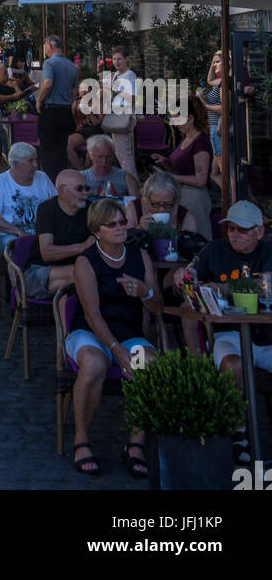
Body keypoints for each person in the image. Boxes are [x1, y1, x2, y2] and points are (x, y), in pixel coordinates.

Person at [67, 197, 161, 478]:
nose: (120, 228)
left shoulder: (139, 256)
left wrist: (146, 292)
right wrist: (116, 350)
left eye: (122, 222)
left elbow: (158, 309)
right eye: (112, 225)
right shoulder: (87, 261)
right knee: (94, 364)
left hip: (130, 332)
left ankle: (136, 443)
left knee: (152, 365)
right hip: (90, 331)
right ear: (97, 231)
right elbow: (93, 314)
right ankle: (81, 439)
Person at [174, 200, 272, 463]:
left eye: (242, 229)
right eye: (230, 229)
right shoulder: (214, 249)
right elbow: (190, 278)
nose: (235, 235)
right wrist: (185, 278)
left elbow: (264, 284)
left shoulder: (269, 250)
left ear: (259, 231)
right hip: (228, 332)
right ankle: (239, 432)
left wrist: (220, 288)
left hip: (268, 337)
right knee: (231, 364)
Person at [150, 93, 213, 239]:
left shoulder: (200, 142)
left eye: (177, 118)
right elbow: (183, 167)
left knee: (198, 237)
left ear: (190, 119)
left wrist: (169, 176)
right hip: (182, 194)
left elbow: (201, 180)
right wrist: (165, 162)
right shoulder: (186, 137)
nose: (175, 124)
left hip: (195, 197)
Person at [24, 169, 93, 298]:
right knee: (84, 275)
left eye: (86, 188)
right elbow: (47, 253)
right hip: (40, 272)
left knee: (88, 276)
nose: (85, 193)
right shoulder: (46, 210)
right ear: (61, 191)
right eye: (79, 189)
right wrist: (82, 246)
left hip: (76, 269)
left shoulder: (89, 209)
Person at [0, 143, 57, 252]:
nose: (36, 165)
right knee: (19, 247)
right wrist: (18, 232)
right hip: (11, 235)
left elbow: (57, 203)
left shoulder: (42, 177)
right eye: (30, 161)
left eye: (36, 159)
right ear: (15, 163)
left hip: (43, 233)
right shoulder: (3, 181)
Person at [36, 34, 79, 181]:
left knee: (48, 152)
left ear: (50, 45)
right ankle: (62, 182)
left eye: (45, 46)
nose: (45, 49)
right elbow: (74, 93)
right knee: (61, 151)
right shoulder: (72, 66)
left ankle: (50, 184)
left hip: (51, 111)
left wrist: (39, 100)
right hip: (66, 111)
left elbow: (47, 84)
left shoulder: (49, 63)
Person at [109, 45, 139, 181]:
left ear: (127, 59)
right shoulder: (116, 75)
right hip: (116, 116)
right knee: (120, 154)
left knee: (125, 155)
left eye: (119, 59)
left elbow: (134, 98)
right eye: (114, 59)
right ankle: (129, 184)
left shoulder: (130, 75)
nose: (116, 62)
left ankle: (133, 187)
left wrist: (117, 91)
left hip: (124, 117)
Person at [83, 134, 140, 202]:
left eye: (108, 156)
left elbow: (137, 204)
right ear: (90, 156)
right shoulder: (81, 177)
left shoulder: (126, 177)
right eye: (100, 157)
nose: (104, 161)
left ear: (113, 155)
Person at [198, 50, 223, 157]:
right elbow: (210, 80)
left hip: (218, 128)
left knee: (222, 169)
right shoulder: (220, 81)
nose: (214, 65)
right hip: (213, 127)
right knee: (216, 170)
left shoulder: (224, 82)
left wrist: (205, 105)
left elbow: (224, 108)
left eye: (217, 62)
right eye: (213, 62)